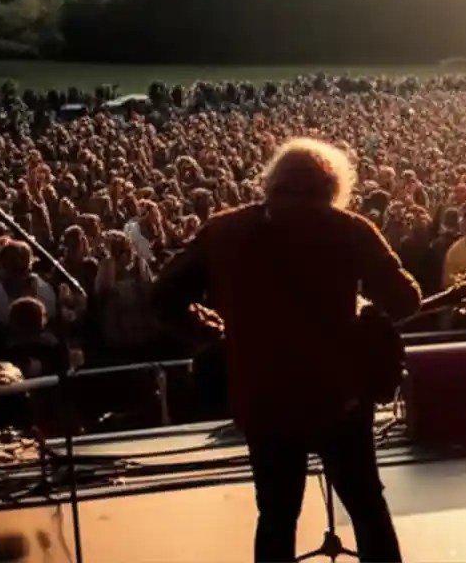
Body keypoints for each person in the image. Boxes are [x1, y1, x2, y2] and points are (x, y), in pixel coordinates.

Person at [152, 138, 421, 562]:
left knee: (276, 516)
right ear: (332, 185)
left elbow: (163, 295)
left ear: (272, 181)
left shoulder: (224, 230)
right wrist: (362, 307)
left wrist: (209, 330)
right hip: (339, 398)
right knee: (367, 508)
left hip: (264, 398)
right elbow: (406, 299)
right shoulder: (350, 229)